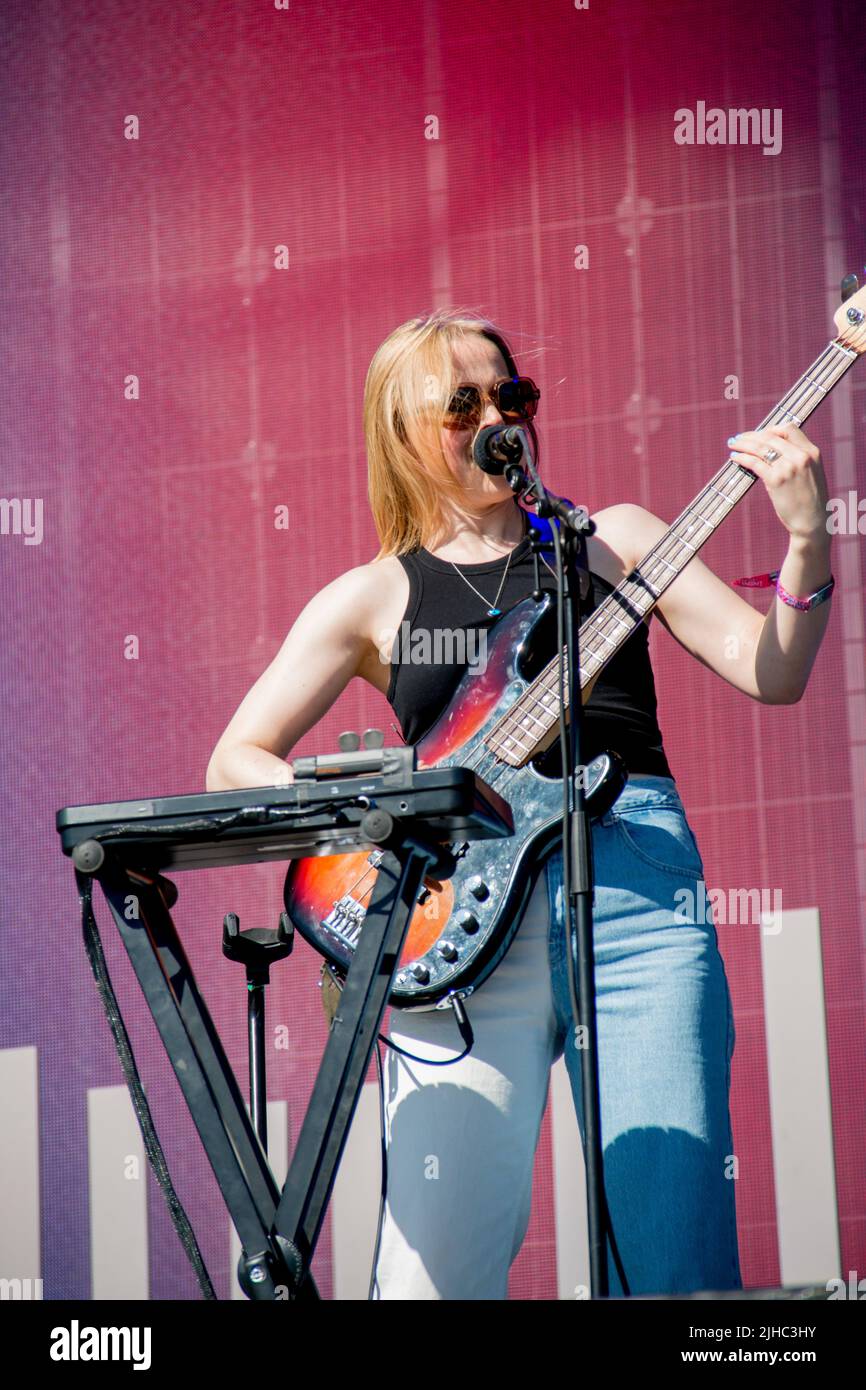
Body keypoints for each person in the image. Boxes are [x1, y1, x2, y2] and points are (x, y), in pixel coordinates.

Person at [206, 308, 834, 1300]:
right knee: (430, 1274)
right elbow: (233, 759)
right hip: (454, 917)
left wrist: (804, 544)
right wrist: (377, 800)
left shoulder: (614, 539)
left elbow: (770, 672)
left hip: (632, 895)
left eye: (511, 395)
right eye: (461, 405)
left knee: (671, 1256)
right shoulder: (373, 598)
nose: (497, 414)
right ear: (402, 433)